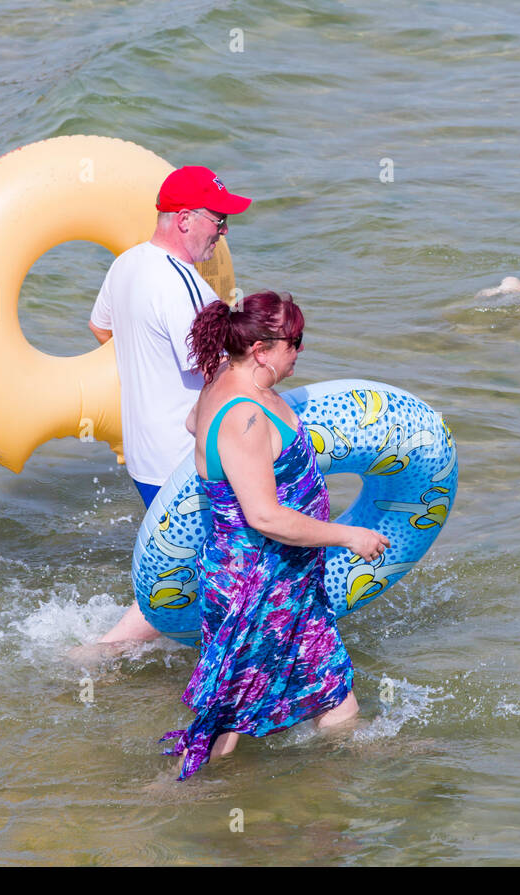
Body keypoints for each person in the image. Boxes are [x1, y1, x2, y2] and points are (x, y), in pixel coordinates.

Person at [160, 291, 390, 780]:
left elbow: (190, 422)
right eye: (295, 341)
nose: (300, 350)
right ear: (262, 350)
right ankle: (169, 802)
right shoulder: (244, 414)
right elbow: (264, 516)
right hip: (256, 584)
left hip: (286, 579)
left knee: (330, 691)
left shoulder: (226, 378)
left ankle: (327, 788)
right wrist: (347, 536)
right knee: (226, 721)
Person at [86, 166, 251, 653]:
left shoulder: (127, 264)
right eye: (218, 220)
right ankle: (94, 654)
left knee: (197, 570)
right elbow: (217, 374)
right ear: (183, 219)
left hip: (145, 456)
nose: (223, 233)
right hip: (187, 460)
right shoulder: (184, 287)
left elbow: (101, 329)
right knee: (208, 574)